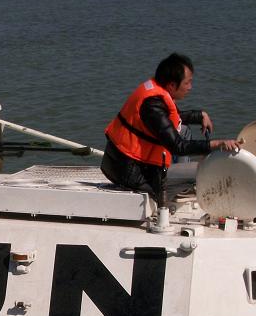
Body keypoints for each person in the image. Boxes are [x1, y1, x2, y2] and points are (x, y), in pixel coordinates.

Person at [102, 52, 240, 206]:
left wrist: (199, 115)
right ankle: (167, 195)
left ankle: (175, 187)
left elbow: (169, 119)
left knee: (184, 130)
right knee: (202, 170)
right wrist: (216, 144)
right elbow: (178, 146)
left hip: (129, 162)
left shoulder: (155, 92)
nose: (190, 87)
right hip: (132, 172)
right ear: (172, 85)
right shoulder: (153, 105)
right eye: (187, 83)